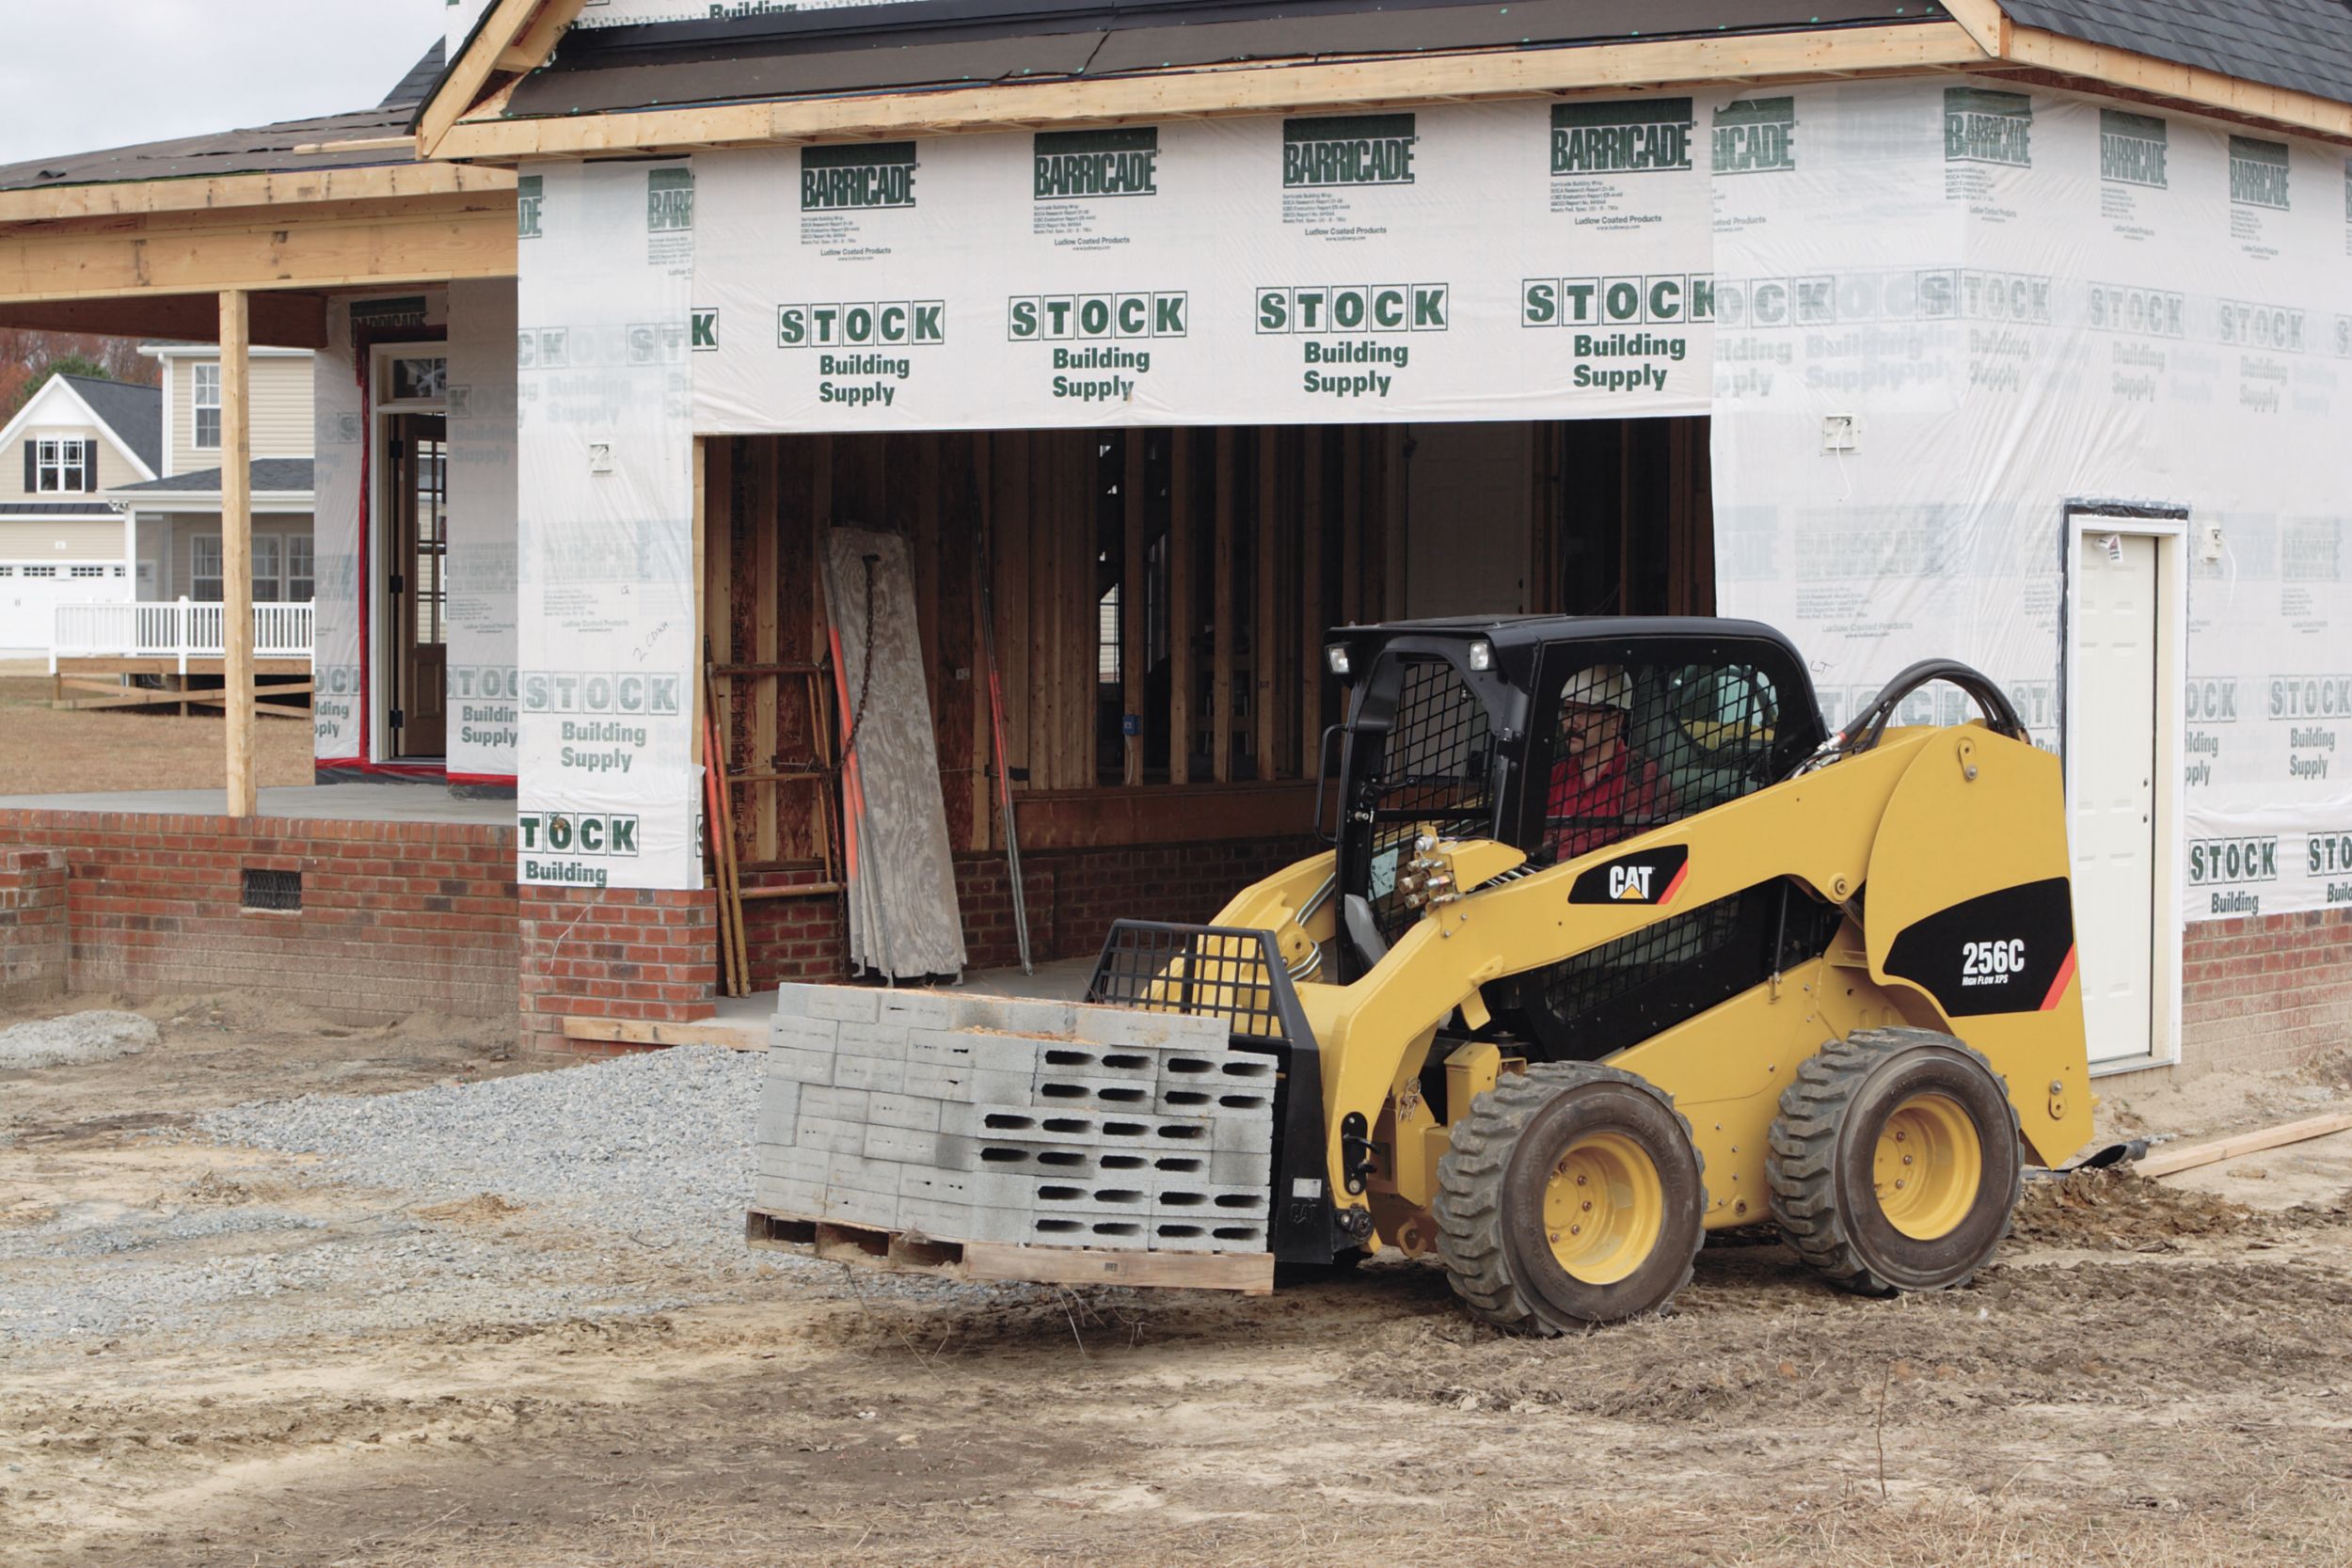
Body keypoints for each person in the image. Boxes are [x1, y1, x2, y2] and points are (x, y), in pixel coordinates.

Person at [1544, 666, 1672, 862]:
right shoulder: (1556, 775)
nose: (1571, 723)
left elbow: (1641, 852)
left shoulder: (1642, 776)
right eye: (1568, 711)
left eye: (1584, 713)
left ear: (1615, 720)